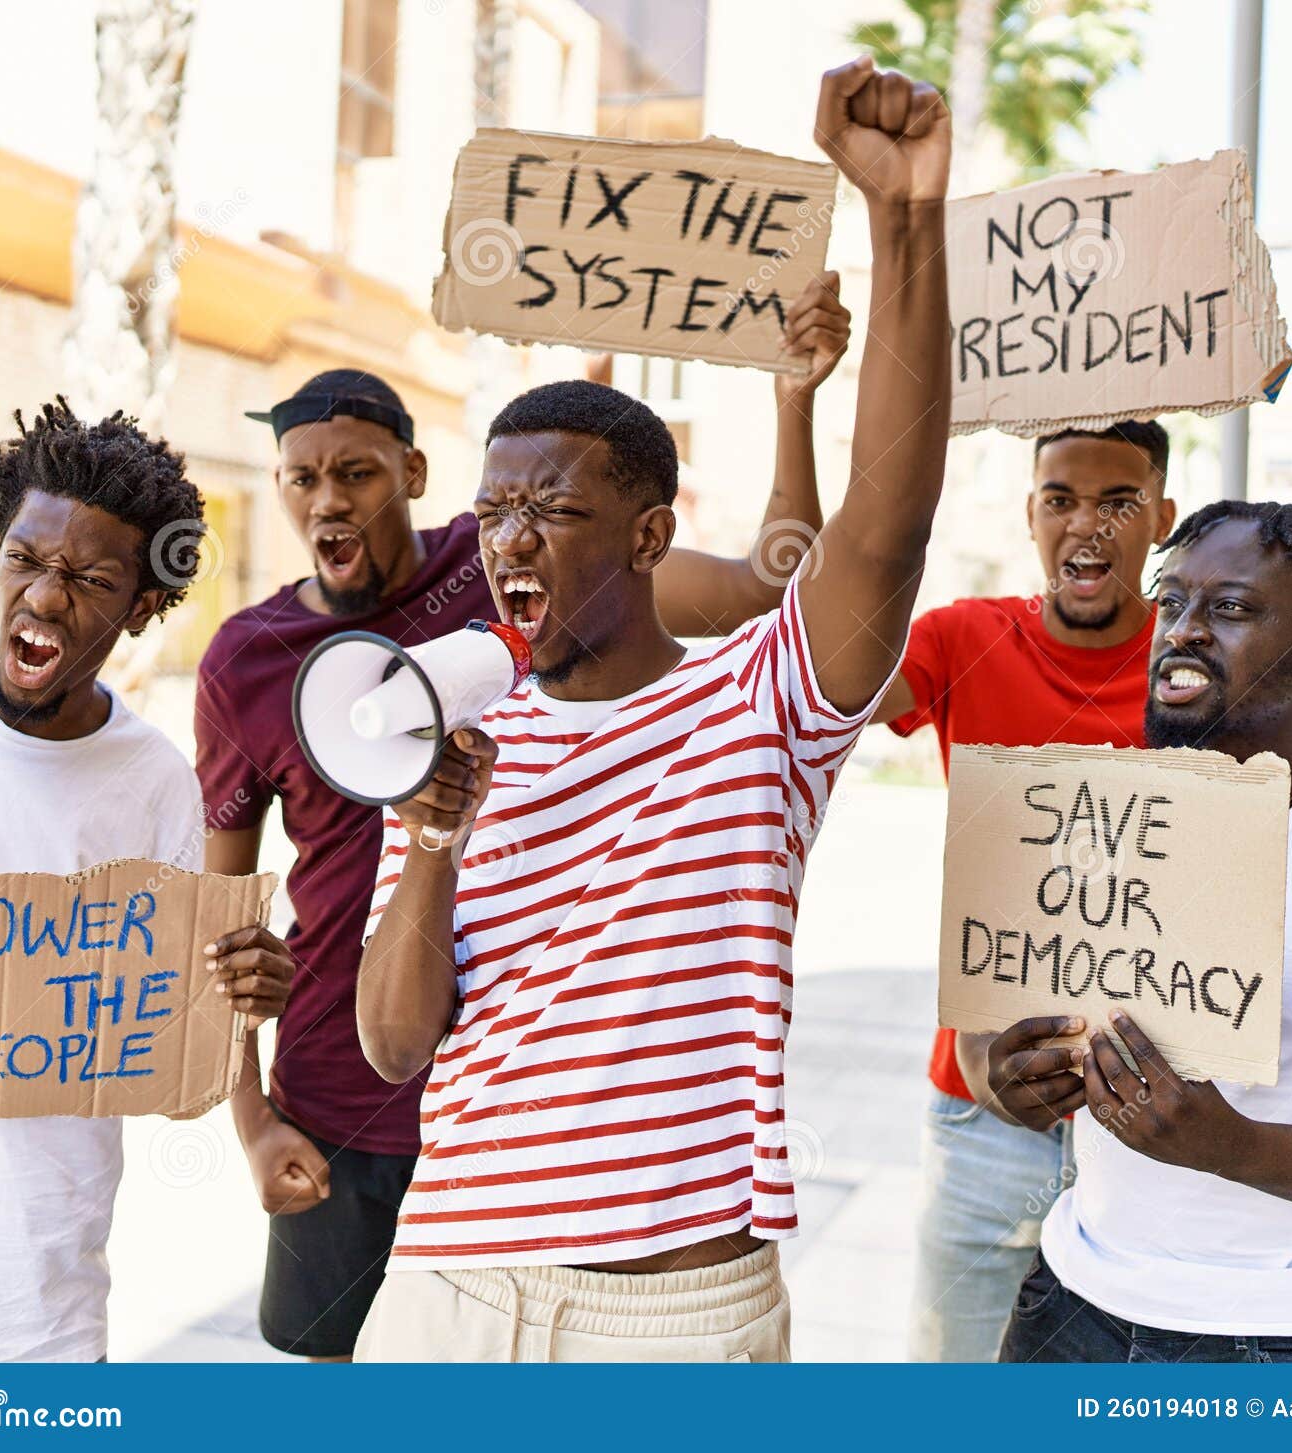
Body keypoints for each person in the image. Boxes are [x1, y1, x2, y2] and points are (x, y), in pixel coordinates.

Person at [349, 56, 950, 1363]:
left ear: (648, 532)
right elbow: (394, 1048)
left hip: (671, 1323)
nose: (510, 539)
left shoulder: (758, 707)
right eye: (494, 510)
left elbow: (885, 531)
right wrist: (435, 841)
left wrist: (905, 223)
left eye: (555, 509)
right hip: (450, 1295)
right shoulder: (440, 736)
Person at [194, 286, 852, 1360]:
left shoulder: (505, 568)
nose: (329, 502)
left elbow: (764, 591)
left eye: (356, 472)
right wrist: (250, 1118)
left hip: (512, 1113)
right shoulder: (244, 657)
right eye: (301, 478)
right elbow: (214, 915)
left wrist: (790, 408)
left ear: (412, 475)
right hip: (340, 1083)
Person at [870, 420, 1292, 1362]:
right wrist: (1003, 1078)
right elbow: (989, 1034)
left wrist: (1236, 1146)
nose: (1182, 629)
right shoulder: (1098, 815)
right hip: (1074, 1311)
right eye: (1173, 601)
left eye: (1230, 608)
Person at [0, 400, 297, 1362]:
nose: (45, 599)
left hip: (36, 1308)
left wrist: (241, 990)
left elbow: (176, 1025)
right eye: (25, 560)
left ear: (140, 605)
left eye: (89, 579)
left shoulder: (154, 781)